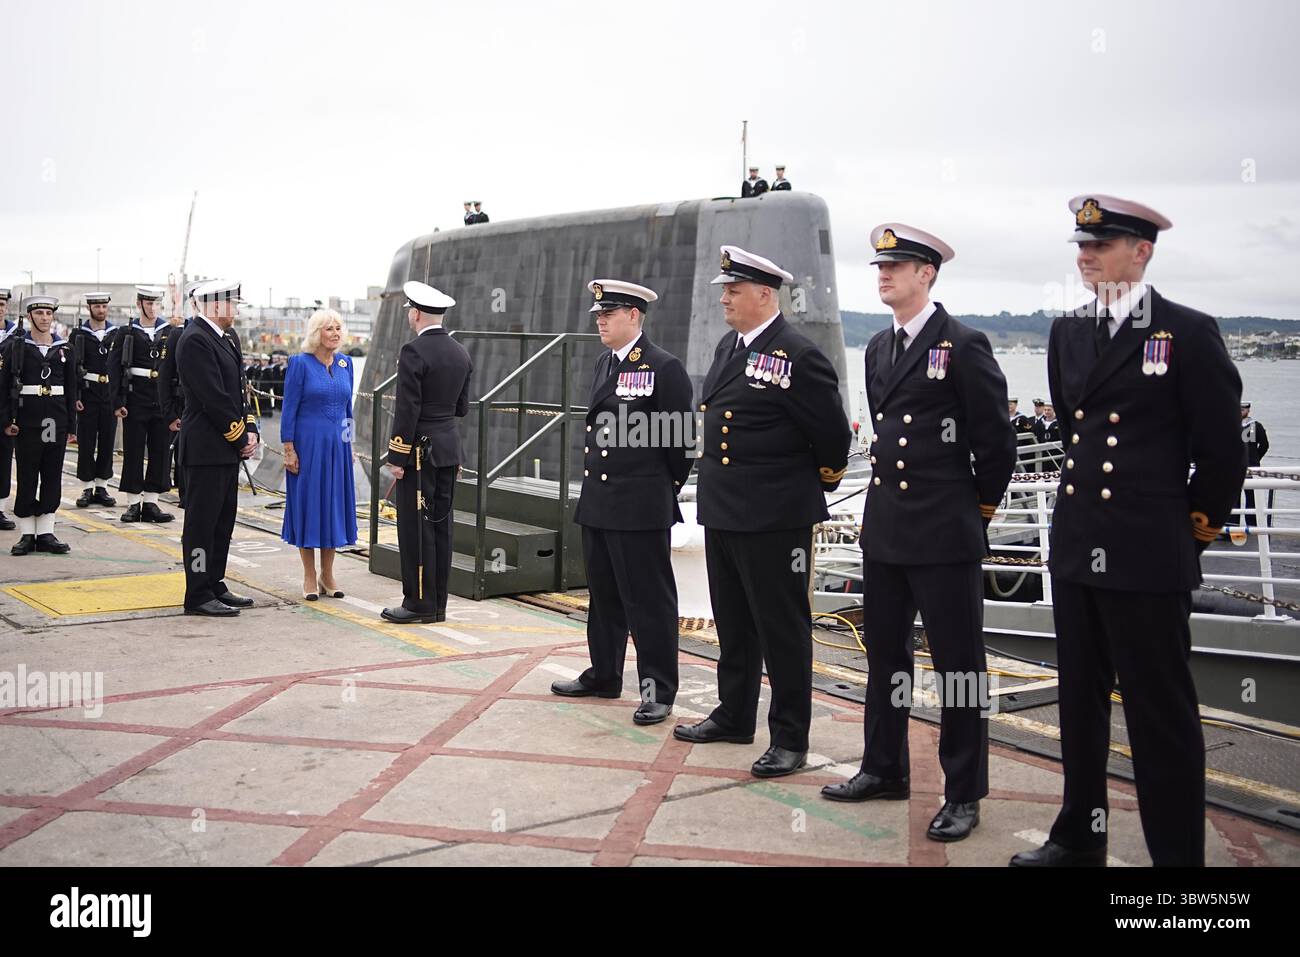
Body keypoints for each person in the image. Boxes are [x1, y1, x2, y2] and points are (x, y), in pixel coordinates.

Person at [1011, 195, 1244, 868]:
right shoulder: (1068, 332)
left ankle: (1177, 864)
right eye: (1081, 245)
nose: (1085, 255)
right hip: (1080, 545)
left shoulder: (1187, 333)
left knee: (1159, 717)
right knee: (1080, 706)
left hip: (1148, 553)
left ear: (1141, 252)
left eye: (1101, 244)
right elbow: (1075, 434)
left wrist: (1191, 532)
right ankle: (1079, 837)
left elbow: (1222, 453)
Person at [821, 224, 1016, 843]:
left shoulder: (963, 343)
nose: (884, 275)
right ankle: (884, 768)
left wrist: (974, 514)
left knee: (958, 665)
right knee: (885, 657)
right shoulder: (879, 347)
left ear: (927, 274)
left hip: (944, 529)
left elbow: (995, 443)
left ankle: (963, 791)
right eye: (880, 267)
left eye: (897, 267)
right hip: (887, 529)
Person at [673, 246, 851, 777]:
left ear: (765, 295)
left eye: (733, 290)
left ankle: (790, 737)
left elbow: (833, 438)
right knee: (734, 621)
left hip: (775, 513)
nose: (724, 298)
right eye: (724, 290)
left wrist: (798, 486)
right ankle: (734, 714)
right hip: (726, 507)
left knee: (782, 628)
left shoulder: (797, 354)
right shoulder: (730, 346)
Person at [550, 280, 695, 725]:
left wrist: (654, 490)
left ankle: (656, 689)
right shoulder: (603, 364)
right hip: (599, 500)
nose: (600, 321)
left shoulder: (663, 368)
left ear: (634, 315)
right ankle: (605, 673)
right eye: (598, 315)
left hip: (639, 503)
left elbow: (681, 444)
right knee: (604, 596)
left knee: (648, 601)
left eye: (608, 314)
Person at [381, 281, 473, 624]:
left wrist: (397, 457)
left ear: (416, 313)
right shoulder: (460, 352)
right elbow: (461, 407)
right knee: (441, 528)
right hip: (449, 450)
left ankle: (417, 603)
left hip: (419, 454)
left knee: (415, 528)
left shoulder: (414, 352)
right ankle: (438, 605)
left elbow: (407, 410)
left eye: (410, 311)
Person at [175, 279, 258, 617]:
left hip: (225, 448)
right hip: (206, 447)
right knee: (201, 523)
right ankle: (197, 592)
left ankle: (214, 581)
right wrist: (239, 438)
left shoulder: (227, 337)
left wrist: (250, 426)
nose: (236, 309)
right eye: (232, 303)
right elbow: (213, 398)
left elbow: (239, 391)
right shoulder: (194, 339)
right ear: (214, 305)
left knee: (223, 521)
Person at [280, 309, 358, 599]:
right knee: (310, 506)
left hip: (337, 447)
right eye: (329, 328)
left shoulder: (346, 363)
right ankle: (309, 575)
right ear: (316, 334)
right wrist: (289, 449)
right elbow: (289, 408)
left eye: (338, 328)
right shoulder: (300, 364)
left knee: (333, 507)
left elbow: (348, 409)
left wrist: (349, 445)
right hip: (308, 446)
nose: (335, 333)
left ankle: (328, 574)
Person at [1, 296, 78, 554]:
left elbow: (71, 390)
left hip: (55, 418)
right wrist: (7, 420)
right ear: (30, 316)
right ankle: (27, 534)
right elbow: (4, 387)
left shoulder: (64, 348)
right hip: (27, 420)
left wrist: (71, 427)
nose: (45, 317)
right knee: (27, 474)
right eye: (40, 313)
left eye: (48, 313)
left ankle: (46, 532)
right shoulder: (16, 347)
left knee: (52, 474)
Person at [110, 285, 175, 523]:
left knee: (160, 451)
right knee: (134, 450)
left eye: (156, 303)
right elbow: (114, 367)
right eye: (148, 303)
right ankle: (133, 503)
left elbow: (175, 369)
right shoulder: (127, 332)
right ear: (139, 304)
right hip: (136, 397)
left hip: (160, 399)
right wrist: (117, 401)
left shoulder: (169, 331)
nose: (152, 307)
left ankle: (151, 502)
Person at [71, 291, 121, 507]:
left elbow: (120, 368)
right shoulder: (78, 334)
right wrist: (77, 395)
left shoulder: (116, 333)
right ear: (89, 308)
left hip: (108, 392)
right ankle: (86, 487)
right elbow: (72, 369)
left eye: (104, 307)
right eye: (97, 307)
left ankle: (102, 486)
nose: (101, 310)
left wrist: (119, 398)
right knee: (86, 441)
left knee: (107, 440)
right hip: (89, 392)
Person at [1240, 401, 1271, 527]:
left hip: (1251, 467)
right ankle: (1232, 525)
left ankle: (1252, 525)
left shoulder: (1256, 426)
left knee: (1251, 497)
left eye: (1243, 409)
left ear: (1248, 410)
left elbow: (1264, 445)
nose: (1241, 411)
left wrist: (1255, 458)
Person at [0, 288, 16, 530]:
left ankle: (0, 508)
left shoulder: (16, 336)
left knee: (4, 457)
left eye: (2, 303)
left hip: (5, 403)